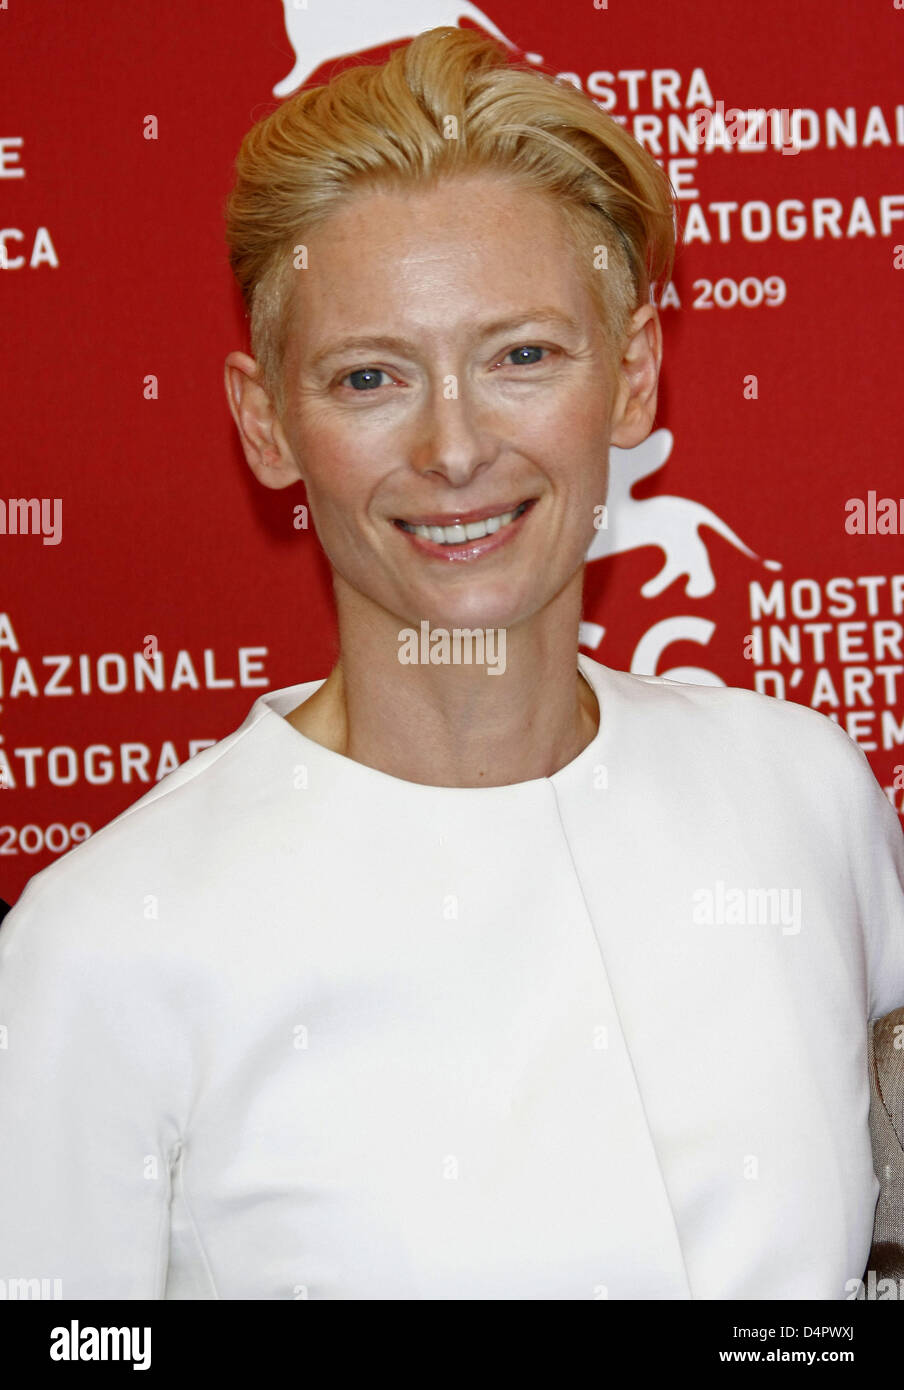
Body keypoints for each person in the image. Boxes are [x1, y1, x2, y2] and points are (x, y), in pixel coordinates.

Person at [1, 25, 902, 1301]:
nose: (455, 447)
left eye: (522, 355)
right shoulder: (106, 944)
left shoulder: (802, 795)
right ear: (266, 424)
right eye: (370, 377)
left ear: (633, 373)